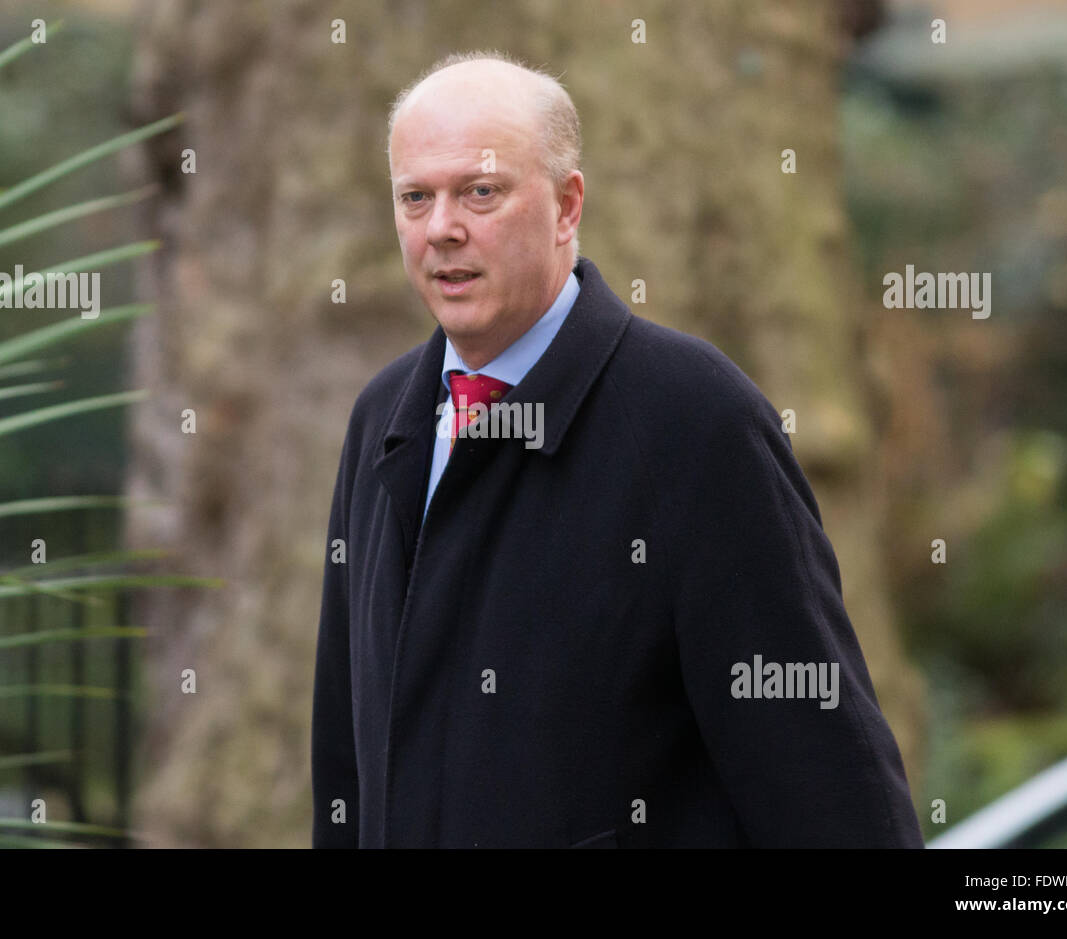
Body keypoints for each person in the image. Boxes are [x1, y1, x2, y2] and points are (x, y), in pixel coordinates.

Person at [311, 51, 924, 848]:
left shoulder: (697, 420)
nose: (441, 228)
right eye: (415, 197)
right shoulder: (381, 418)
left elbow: (827, 787)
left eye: (481, 191)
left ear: (568, 207)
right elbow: (345, 773)